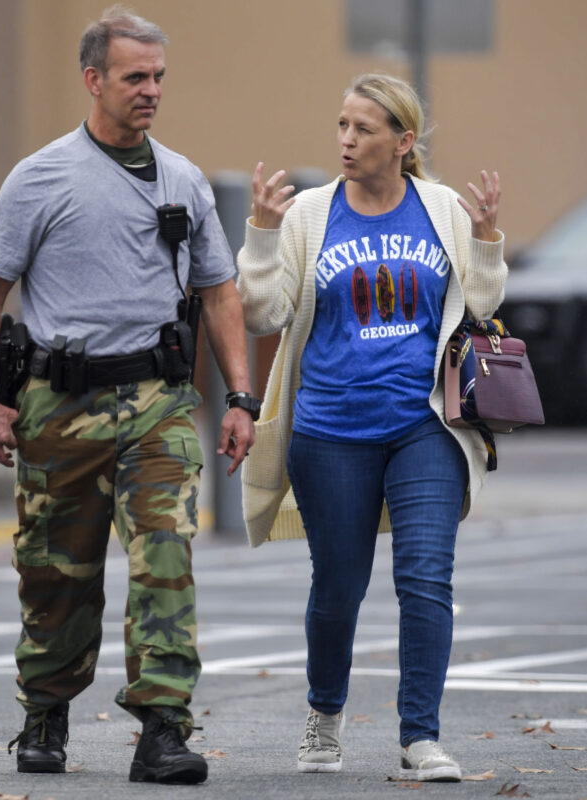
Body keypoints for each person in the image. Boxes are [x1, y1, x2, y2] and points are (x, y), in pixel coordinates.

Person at [0, 5, 257, 785]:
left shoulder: (184, 179)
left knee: (166, 551)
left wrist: (241, 398)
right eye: (135, 77)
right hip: (58, 405)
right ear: (93, 80)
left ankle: (163, 725)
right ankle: (46, 712)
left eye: (159, 77)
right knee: (57, 571)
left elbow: (221, 292)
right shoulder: (42, 176)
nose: (151, 90)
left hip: (159, 400)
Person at [236, 73, 508, 781]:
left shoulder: (442, 209)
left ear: (403, 141)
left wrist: (484, 242)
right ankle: (324, 716)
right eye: (342, 126)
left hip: (424, 426)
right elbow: (264, 314)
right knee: (338, 588)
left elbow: (478, 301)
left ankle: (422, 737)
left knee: (425, 579)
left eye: (363, 128)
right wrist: (262, 236)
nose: (346, 141)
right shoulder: (310, 216)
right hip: (330, 431)